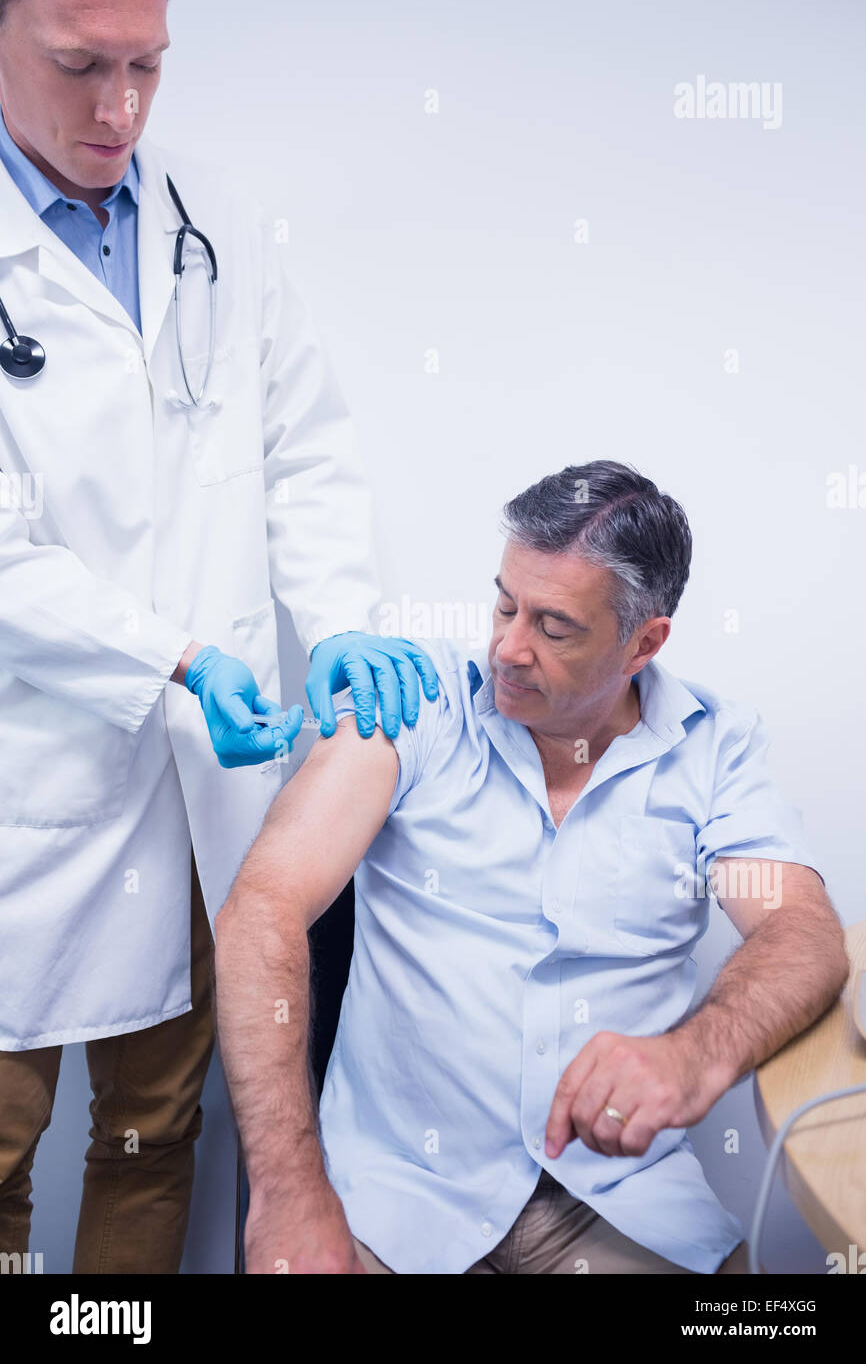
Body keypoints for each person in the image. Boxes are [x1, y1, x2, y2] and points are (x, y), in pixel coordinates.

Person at [0, 0, 436, 1273]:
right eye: (84, 65)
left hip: (203, 797)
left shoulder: (212, 221)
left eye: (148, 65)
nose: (121, 106)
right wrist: (175, 657)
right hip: (27, 789)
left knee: (156, 1129)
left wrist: (346, 618)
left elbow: (302, 448)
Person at [216, 459, 849, 1275]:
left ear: (643, 642)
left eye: (553, 627)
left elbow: (802, 931)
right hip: (391, 1201)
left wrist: (694, 1057)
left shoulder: (714, 749)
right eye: (505, 605)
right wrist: (288, 1194)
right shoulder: (420, 702)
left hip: (618, 1210)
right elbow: (261, 908)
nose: (508, 649)